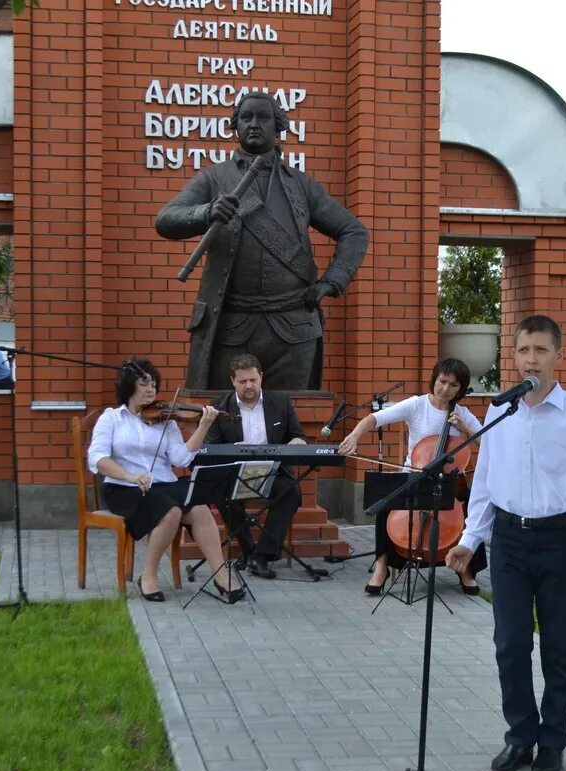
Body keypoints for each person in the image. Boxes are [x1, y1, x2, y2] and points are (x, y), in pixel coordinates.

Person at [446, 315, 566, 771]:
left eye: (540, 350)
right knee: (510, 644)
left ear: (559, 355)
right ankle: (520, 736)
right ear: (512, 357)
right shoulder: (500, 412)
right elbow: (486, 484)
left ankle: (552, 740)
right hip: (511, 543)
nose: (531, 358)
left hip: (559, 542)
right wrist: (470, 539)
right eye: (522, 351)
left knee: (558, 645)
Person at [155, 91, 368, 391]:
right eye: (246, 117)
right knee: (222, 422)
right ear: (236, 126)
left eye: (263, 117)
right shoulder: (215, 179)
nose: (254, 124)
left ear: (278, 126)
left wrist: (332, 281)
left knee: (293, 425)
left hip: (294, 330)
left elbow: (354, 231)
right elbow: (166, 219)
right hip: (230, 329)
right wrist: (206, 211)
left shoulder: (301, 185)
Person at [87, 359, 245, 604]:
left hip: (163, 485)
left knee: (200, 508)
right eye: (145, 384)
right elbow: (97, 458)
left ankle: (221, 575)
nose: (152, 390)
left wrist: (202, 427)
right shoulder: (111, 419)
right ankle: (148, 576)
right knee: (170, 511)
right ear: (130, 386)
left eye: (154, 385)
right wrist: (131, 476)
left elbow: (181, 459)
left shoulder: (165, 419)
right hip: (124, 487)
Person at [336, 357, 486, 596]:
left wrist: (466, 429)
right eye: (442, 381)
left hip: (447, 481)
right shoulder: (417, 405)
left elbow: (486, 442)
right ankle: (382, 565)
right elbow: (374, 419)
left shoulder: (462, 413)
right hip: (414, 475)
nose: (445, 389)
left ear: (460, 389)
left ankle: (465, 568)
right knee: (385, 500)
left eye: (453, 385)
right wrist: (354, 436)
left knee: (471, 501)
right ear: (434, 379)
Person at [204, 353, 306, 579]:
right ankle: (248, 549)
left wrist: (297, 442)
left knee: (291, 492)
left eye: (253, 380)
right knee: (221, 493)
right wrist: (233, 448)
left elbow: (297, 434)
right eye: (242, 382)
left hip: (273, 470)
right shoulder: (219, 406)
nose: (249, 386)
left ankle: (263, 555)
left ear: (261, 377)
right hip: (235, 471)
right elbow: (212, 446)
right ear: (232, 381)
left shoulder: (280, 402)